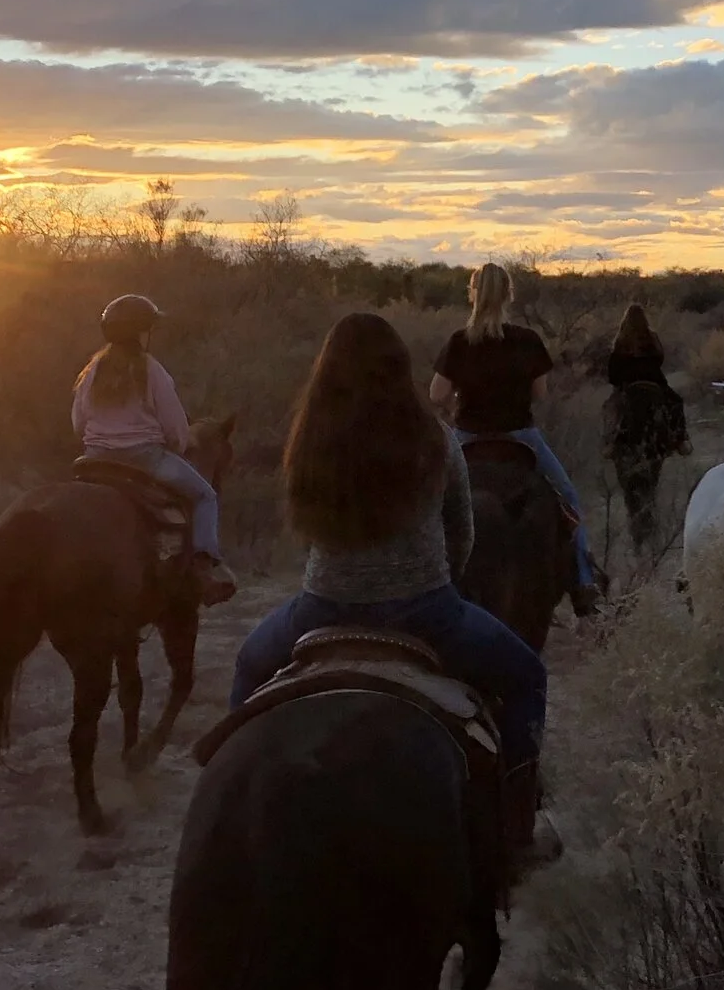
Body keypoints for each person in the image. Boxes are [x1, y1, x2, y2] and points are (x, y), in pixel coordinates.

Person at [231, 311, 554, 864]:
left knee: (247, 668)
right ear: (400, 368)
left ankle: (234, 811)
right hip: (425, 610)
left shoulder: (310, 439)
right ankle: (516, 825)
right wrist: (434, 578)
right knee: (527, 676)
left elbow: (305, 528)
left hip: (322, 608)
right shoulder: (436, 437)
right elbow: (463, 533)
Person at [431, 263, 599, 616]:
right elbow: (540, 393)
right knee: (567, 498)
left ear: (472, 292)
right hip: (520, 437)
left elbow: (436, 393)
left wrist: (455, 403)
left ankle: (419, 581)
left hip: (467, 437)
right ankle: (583, 584)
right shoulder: (526, 340)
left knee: (427, 503)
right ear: (509, 294)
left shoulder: (459, 342)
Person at [71, 294, 237, 604]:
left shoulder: (91, 371)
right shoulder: (152, 370)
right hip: (144, 459)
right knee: (205, 496)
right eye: (149, 329)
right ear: (140, 332)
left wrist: (97, 441)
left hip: (94, 460)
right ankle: (204, 570)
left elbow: (78, 421)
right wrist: (176, 447)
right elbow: (175, 427)